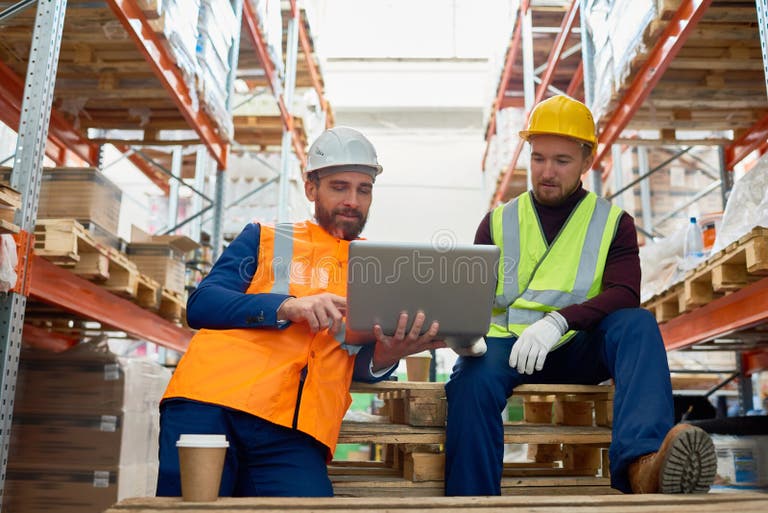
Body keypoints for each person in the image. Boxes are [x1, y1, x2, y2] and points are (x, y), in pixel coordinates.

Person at [444, 95, 717, 495]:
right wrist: (463, 333)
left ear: (586, 162)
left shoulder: (613, 223)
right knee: (470, 381)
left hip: (578, 348)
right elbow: (474, 298)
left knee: (637, 325)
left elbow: (624, 294)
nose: (547, 171)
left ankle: (642, 466)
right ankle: (472, 501)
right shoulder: (498, 222)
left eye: (562, 160)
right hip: (511, 350)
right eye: (538, 158)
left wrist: (560, 321)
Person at [157, 126, 445, 497]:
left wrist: (387, 356)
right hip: (211, 403)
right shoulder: (264, 236)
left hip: (295, 428)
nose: (352, 201)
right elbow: (202, 305)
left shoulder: (380, 266)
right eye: (339, 187)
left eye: (364, 189)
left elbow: (350, 357)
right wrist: (288, 306)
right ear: (311, 188)